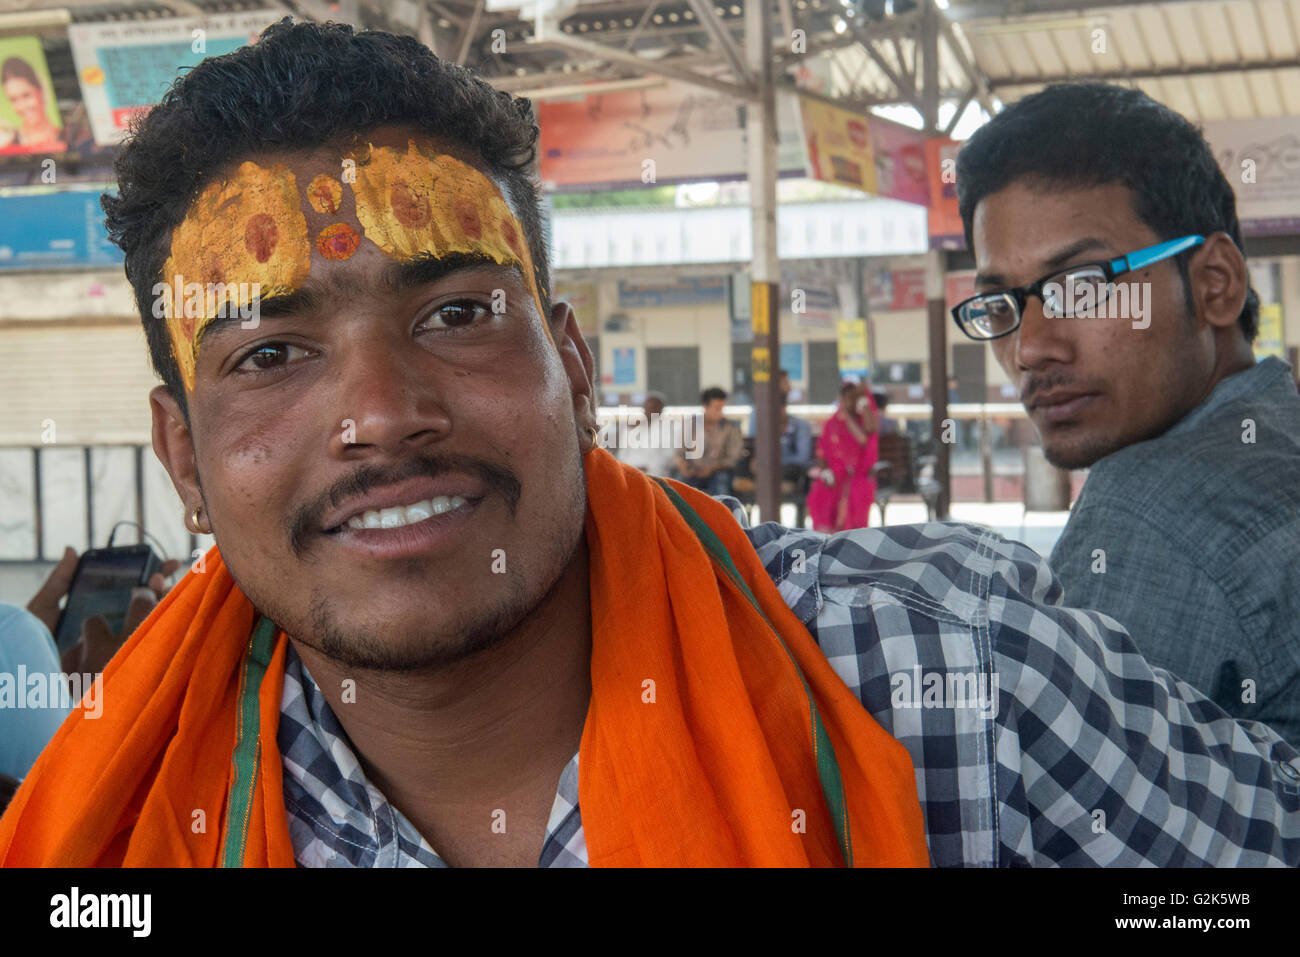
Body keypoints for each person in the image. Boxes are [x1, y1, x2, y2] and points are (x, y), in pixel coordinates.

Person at [3, 21, 1297, 868]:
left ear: (569, 362)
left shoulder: (948, 681)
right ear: (182, 453)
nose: (384, 414)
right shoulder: (107, 827)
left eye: (457, 313)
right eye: (270, 354)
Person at [955, 81, 1300, 743]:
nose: (1030, 347)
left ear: (1214, 285)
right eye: (1000, 305)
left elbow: (1059, 820)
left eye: (1081, 286)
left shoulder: (1150, 512)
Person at [806, 381, 879, 533]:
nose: (848, 402)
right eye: (846, 398)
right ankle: (826, 539)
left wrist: (860, 405)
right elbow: (822, 453)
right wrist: (826, 471)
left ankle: (851, 539)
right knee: (821, 491)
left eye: (853, 398)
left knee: (854, 493)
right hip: (834, 476)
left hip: (858, 477)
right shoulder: (832, 423)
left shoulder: (863, 420)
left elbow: (866, 436)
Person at [676, 386, 743, 496]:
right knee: (677, 488)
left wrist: (712, 468)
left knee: (721, 487)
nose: (720, 413)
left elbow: (733, 457)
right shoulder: (691, 424)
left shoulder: (731, 428)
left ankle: (720, 513)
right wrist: (683, 466)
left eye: (722, 408)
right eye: (717, 408)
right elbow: (679, 453)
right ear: (705, 406)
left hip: (718, 472)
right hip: (692, 472)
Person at [0, 57, 64, 154]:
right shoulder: (7, 142)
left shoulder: (67, 136)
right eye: (14, 100)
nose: (22, 106)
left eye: (26, 96)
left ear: (40, 91)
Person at [611, 392, 677, 476]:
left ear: (661, 410)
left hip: (654, 473)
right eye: (647, 408)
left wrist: (648, 468)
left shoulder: (669, 429)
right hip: (629, 470)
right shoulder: (632, 428)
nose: (649, 411)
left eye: (653, 408)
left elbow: (669, 457)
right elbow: (622, 453)